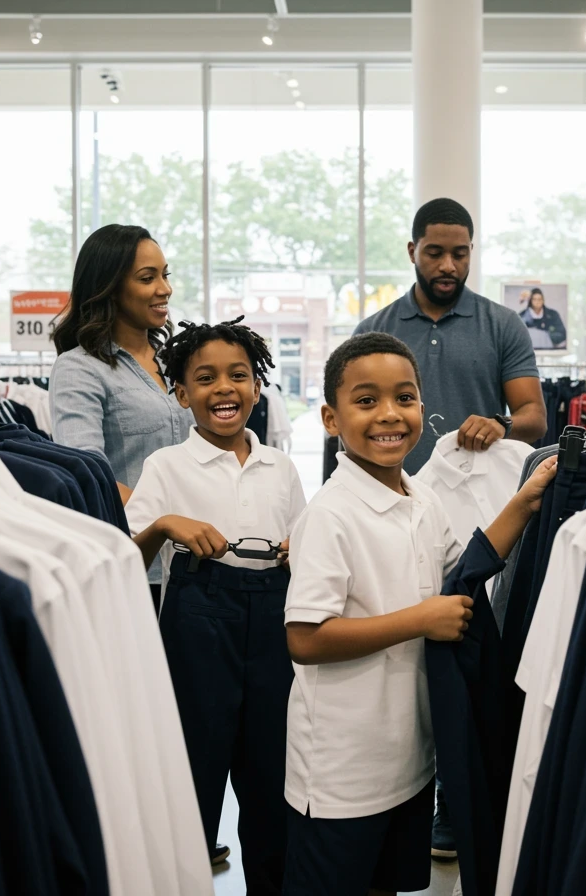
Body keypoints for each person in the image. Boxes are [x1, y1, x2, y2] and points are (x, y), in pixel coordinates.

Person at [281, 333, 558, 896]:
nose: (389, 415)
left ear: (423, 408)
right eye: (366, 401)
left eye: (404, 398)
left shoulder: (422, 498)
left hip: (408, 763)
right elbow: (306, 638)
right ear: (331, 418)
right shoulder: (330, 515)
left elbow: (464, 571)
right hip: (341, 772)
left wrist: (525, 502)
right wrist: (420, 620)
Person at [126, 317, 306, 889]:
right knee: (192, 770)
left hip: (274, 620)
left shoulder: (281, 466)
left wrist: (294, 551)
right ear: (181, 393)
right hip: (198, 617)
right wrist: (164, 524)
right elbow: (127, 559)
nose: (224, 388)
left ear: (258, 386)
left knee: (271, 774)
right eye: (205, 378)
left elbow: (308, 545)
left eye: (238, 375)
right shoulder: (165, 466)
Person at [50, 223, 193, 605]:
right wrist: (170, 520)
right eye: (148, 278)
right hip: (136, 565)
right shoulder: (78, 368)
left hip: (198, 562)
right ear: (109, 287)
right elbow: (89, 473)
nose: (164, 288)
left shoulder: (174, 361)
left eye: (165, 275)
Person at [354, 198, 547, 478]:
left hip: (477, 495)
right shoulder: (371, 332)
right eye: (434, 253)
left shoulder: (503, 325)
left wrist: (500, 424)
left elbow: (535, 418)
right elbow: (353, 423)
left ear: (471, 251)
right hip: (389, 495)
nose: (448, 266)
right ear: (412, 251)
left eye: (459, 254)